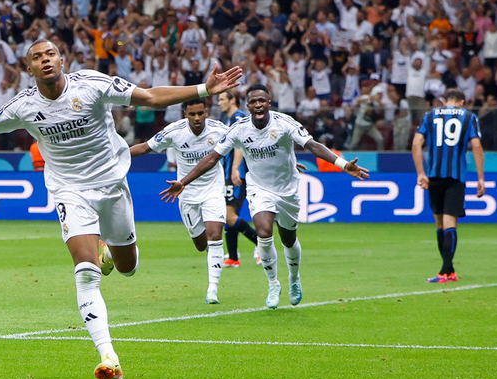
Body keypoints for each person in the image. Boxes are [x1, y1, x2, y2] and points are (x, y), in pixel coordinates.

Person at [0, 39, 242, 379]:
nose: (46, 59)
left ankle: (110, 254)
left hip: (113, 185)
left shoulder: (92, 84)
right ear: (29, 68)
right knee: (85, 273)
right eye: (38, 57)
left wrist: (203, 90)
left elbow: (148, 96)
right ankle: (109, 357)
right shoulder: (23, 104)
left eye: (51, 53)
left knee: (128, 267)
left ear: (62, 60)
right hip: (69, 191)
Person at [160, 84, 369, 309]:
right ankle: (273, 284)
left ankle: (294, 278)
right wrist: (183, 181)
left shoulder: (284, 123)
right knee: (264, 232)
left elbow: (312, 145)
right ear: (248, 106)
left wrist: (342, 164)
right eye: (253, 101)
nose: (258, 104)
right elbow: (212, 158)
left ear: (269, 102)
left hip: (287, 190)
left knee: (288, 239)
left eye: (262, 100)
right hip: (259, 189)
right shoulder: (239, 129)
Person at [128, 99, 230, 304]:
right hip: (187, 194)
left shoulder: (220, 130)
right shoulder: (174, 131)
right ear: (185, 113)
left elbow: (246, 142)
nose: (197, 118)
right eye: (192, 114)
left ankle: (212, 289)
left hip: (213, 191)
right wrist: (115, 156)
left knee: (215, 234)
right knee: (201, 245)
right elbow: (146, 147)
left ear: (207, 111)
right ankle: (213, 256)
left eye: (201, 113)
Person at [411, 88, 485, 284]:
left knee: (439, 225)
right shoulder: (469, 116)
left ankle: (447, 271)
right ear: (462, 102)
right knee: (450, 224)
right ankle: (446, 271)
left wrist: (421, 173)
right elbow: (476, 145)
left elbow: (417, 143)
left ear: (445, 101)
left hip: (434, 175)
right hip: (456, 176)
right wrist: (480, 177)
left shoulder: (429, 115)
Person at [218, 90, 260, 267]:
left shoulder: (238, 118)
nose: (219, 103)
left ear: (232, 100)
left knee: (229, 216)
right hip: (228, 173)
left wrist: (235, 168)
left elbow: (240, 145)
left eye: (222, 99)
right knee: (229, 214)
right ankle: (234, 257)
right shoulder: (228, 120)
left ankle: (263, 245)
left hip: (236, 174)